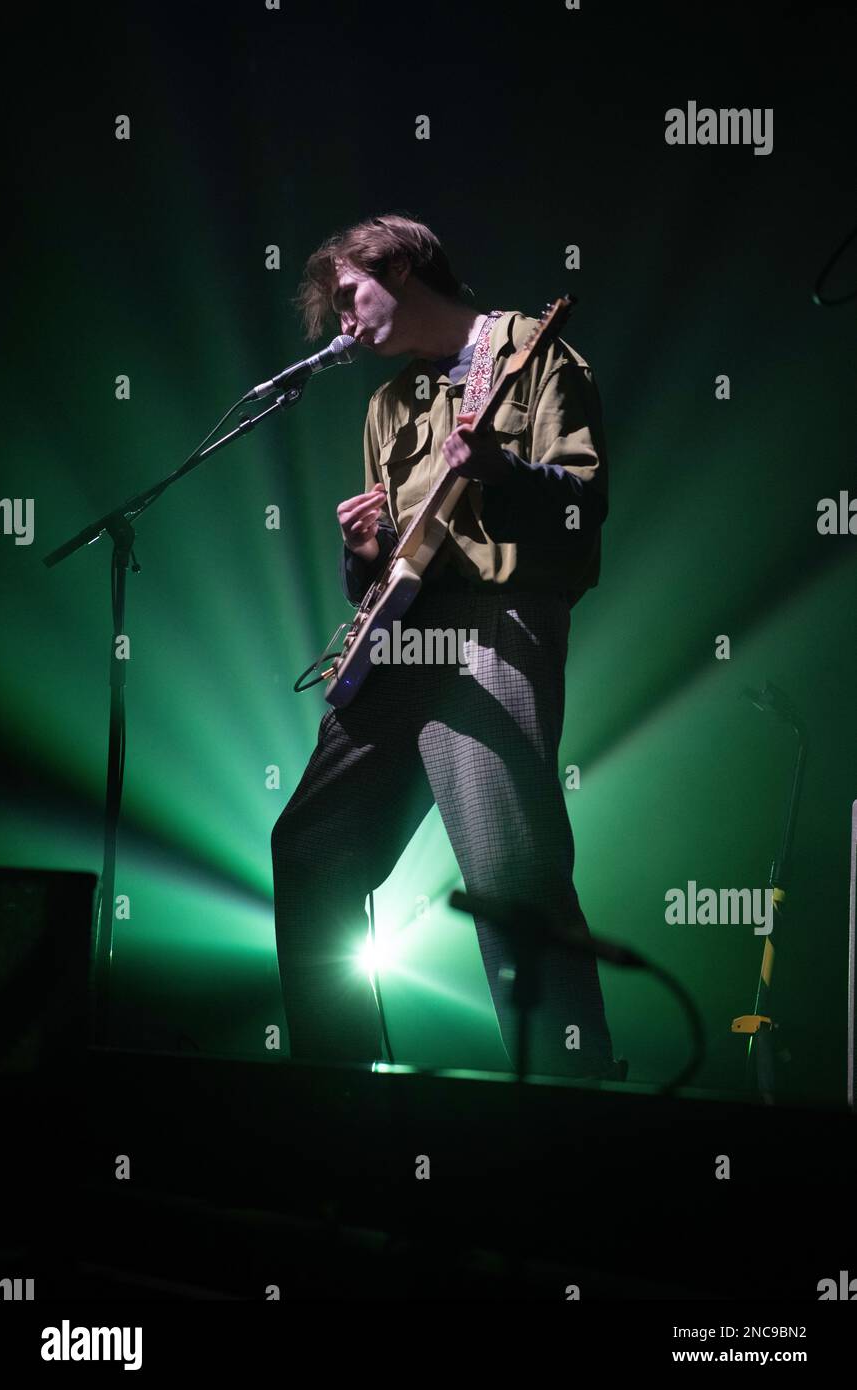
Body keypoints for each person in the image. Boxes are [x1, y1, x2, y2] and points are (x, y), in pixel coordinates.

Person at [271, 212, 624, 1081]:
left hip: (495, 626)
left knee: (512, 877)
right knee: (310, 850)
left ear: (398, 266)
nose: (346, 325)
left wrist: (503, 474)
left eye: (351, 297)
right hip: (402, 644)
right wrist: (364, 556)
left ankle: (574, 1108)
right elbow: (393, 575)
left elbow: (585, 508)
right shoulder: (386, 405)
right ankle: (342, 1096)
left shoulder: (533, 352)